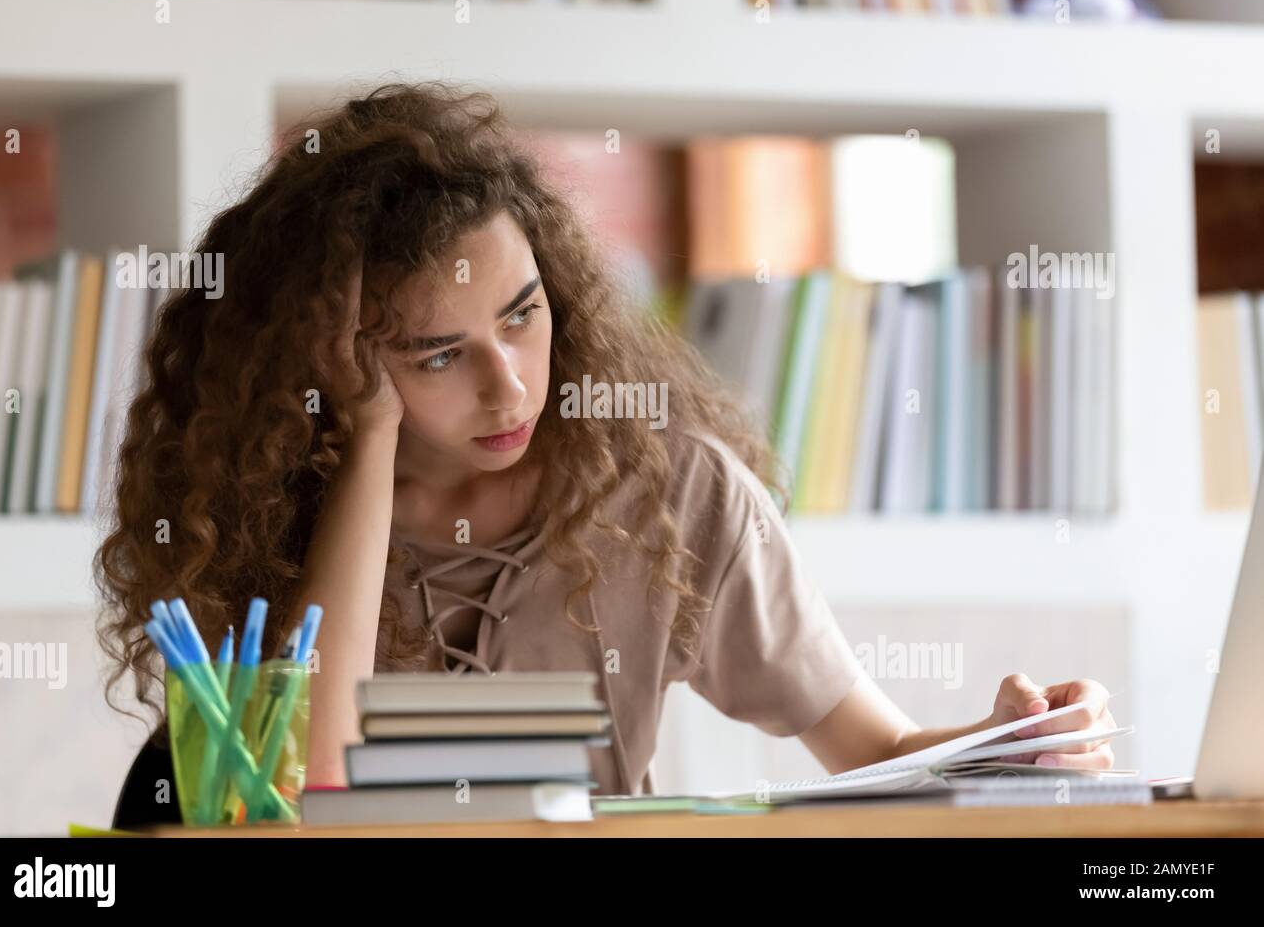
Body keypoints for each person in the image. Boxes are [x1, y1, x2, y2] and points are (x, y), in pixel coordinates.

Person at [96, 80, 1116, 797]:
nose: (509, 385)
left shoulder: (671, 491)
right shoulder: (273, 513)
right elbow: (309, 778)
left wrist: (1004, 741)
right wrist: (367, 440)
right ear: (334, 363)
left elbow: (872, 745)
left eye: (523, 314)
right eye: (436, 353)